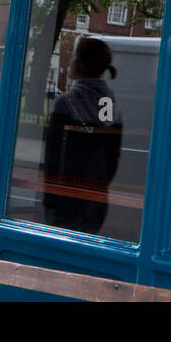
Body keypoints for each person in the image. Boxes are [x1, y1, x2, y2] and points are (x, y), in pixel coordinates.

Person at [42, 36, 122, 234]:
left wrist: (49, 197)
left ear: (79, 62)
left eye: (73, 56)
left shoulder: (65, 103)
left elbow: (53, 156)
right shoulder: (110, 104)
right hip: (96, 199)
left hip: (65, 199)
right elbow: (112, 156)